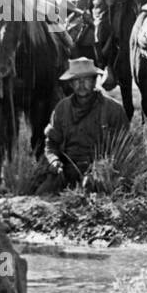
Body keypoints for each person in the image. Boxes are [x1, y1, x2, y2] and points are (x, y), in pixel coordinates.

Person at [39, 57, 129, 193]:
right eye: (77, 80)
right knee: (41, 194)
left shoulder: (113, 110)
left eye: (86, 79)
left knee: (92, 189)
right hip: (66, 170)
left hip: (101, 171)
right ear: (70, 84)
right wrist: (54, 161)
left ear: (95, 80)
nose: (81, 84)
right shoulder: (61, 109)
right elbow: (51, 144)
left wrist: (102, 169)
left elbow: (124, 149)